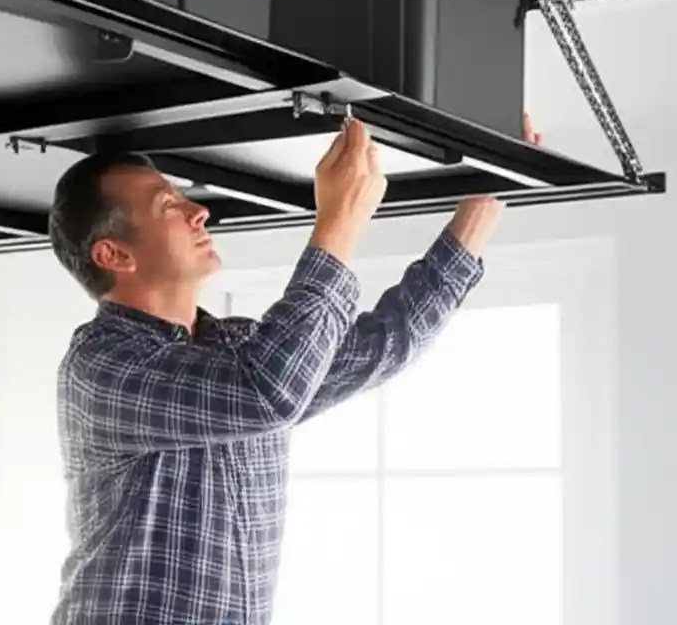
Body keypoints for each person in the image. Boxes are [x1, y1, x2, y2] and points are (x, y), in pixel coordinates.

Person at [46, 116, 541, 624]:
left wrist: (483, 203)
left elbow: (381, 347)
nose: (199, 211)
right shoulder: (102, 366)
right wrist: (338, 222)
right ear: (113, 254)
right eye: (168, 205)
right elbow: (267, 392)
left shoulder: (238, 347)